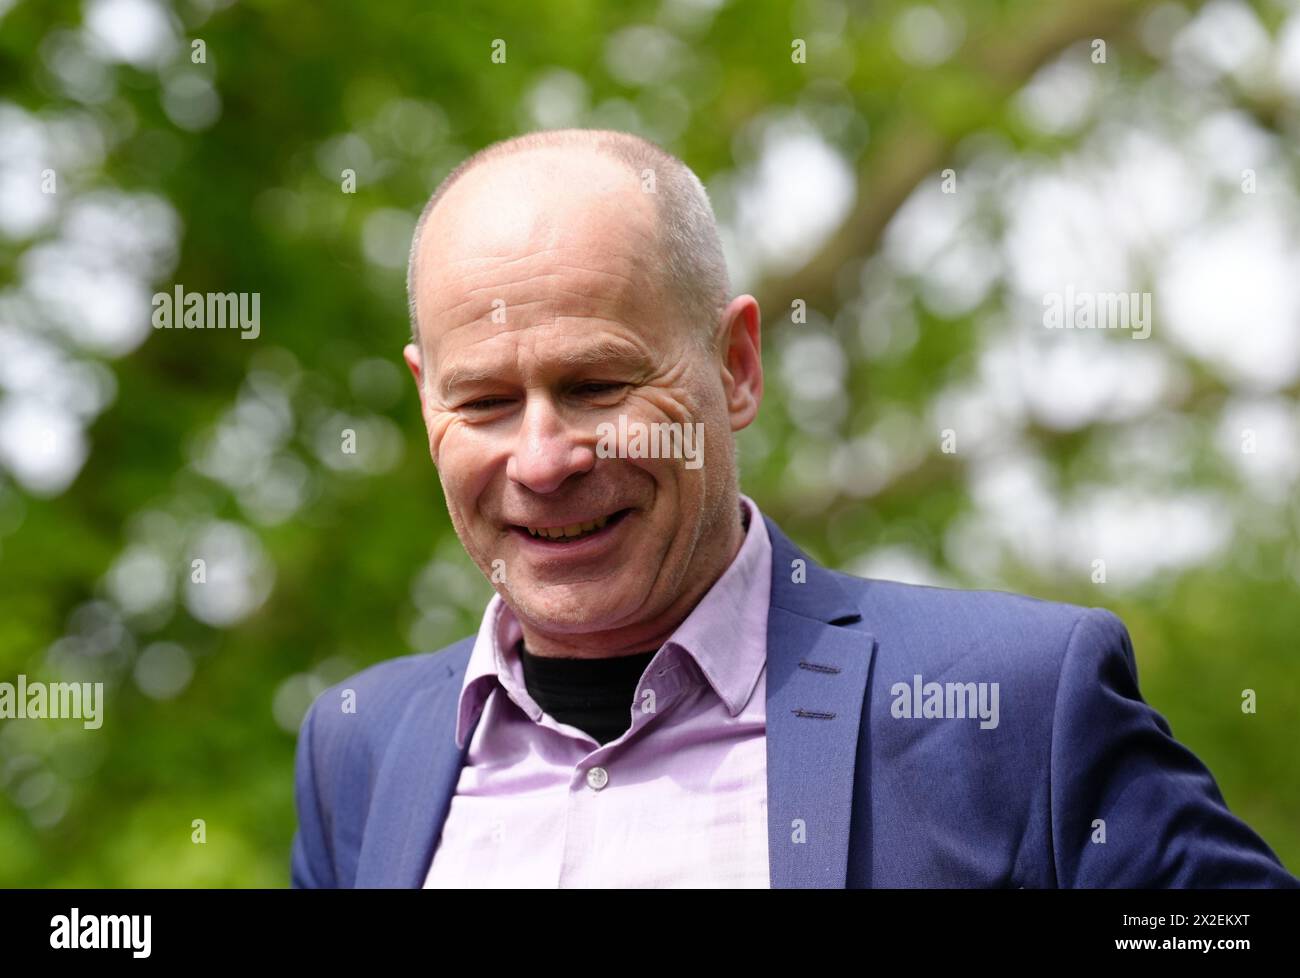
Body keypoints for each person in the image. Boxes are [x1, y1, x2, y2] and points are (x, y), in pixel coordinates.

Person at [290, 128, 1297, 888]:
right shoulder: (360, 750)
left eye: (598, 386)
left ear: (734, 367)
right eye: (485, 403)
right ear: (426, 398)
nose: (544, 459)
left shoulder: (1020, 707)